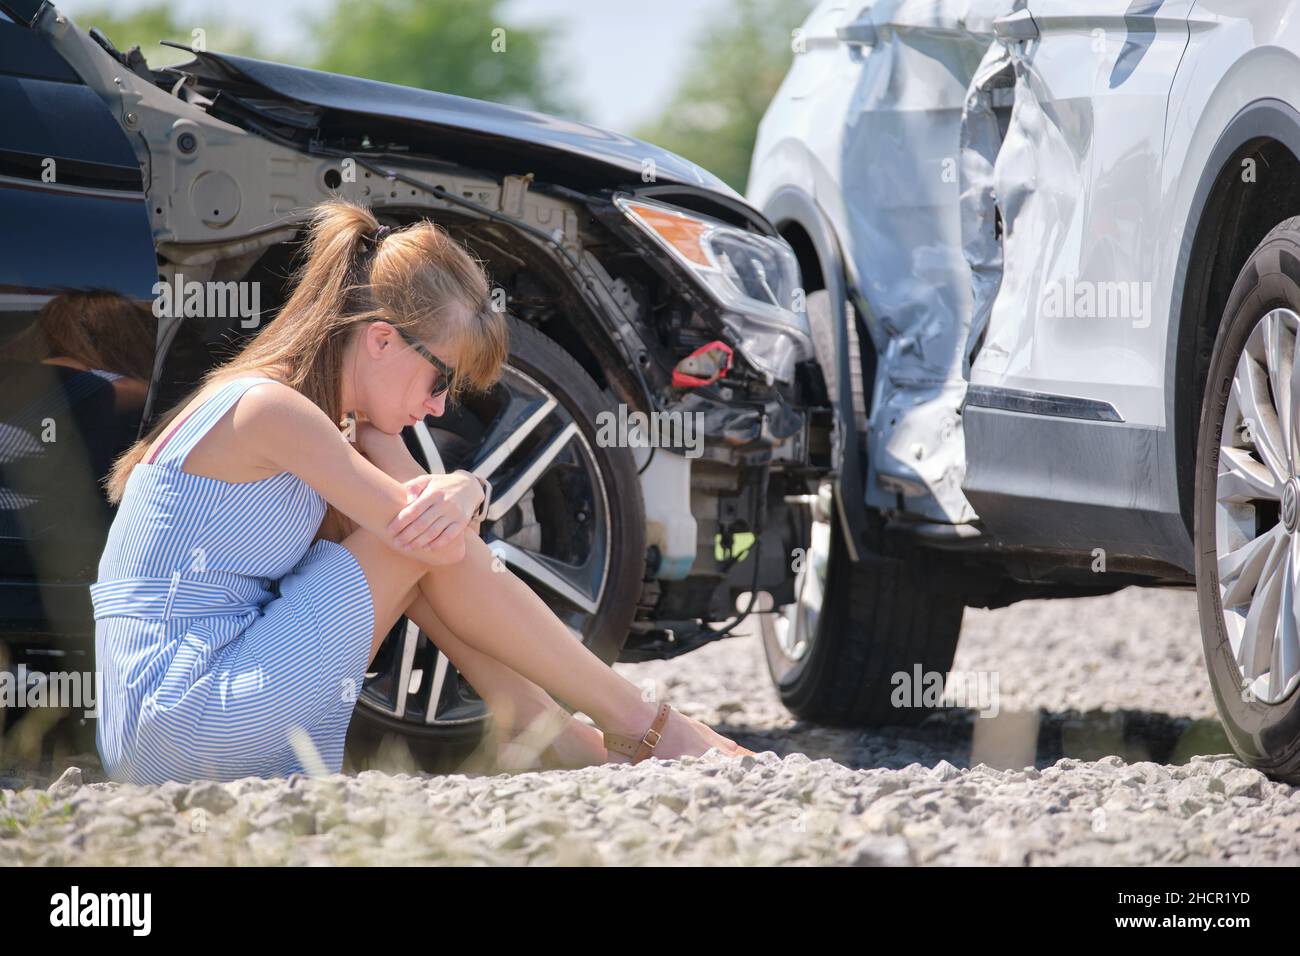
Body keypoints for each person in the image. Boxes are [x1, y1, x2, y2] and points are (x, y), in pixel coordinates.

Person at [90, 197, 753, 784]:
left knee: (419, 539)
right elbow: (431, 535)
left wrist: (465, 488)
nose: (439, 408)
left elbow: (442, 529)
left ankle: (558, 732)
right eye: (441, 380)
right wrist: (462, 493)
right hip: (187, 713)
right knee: (417, 540)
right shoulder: (270, 409)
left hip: (163, 726)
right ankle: (638, 722)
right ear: (381, 339)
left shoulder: (328, 421)